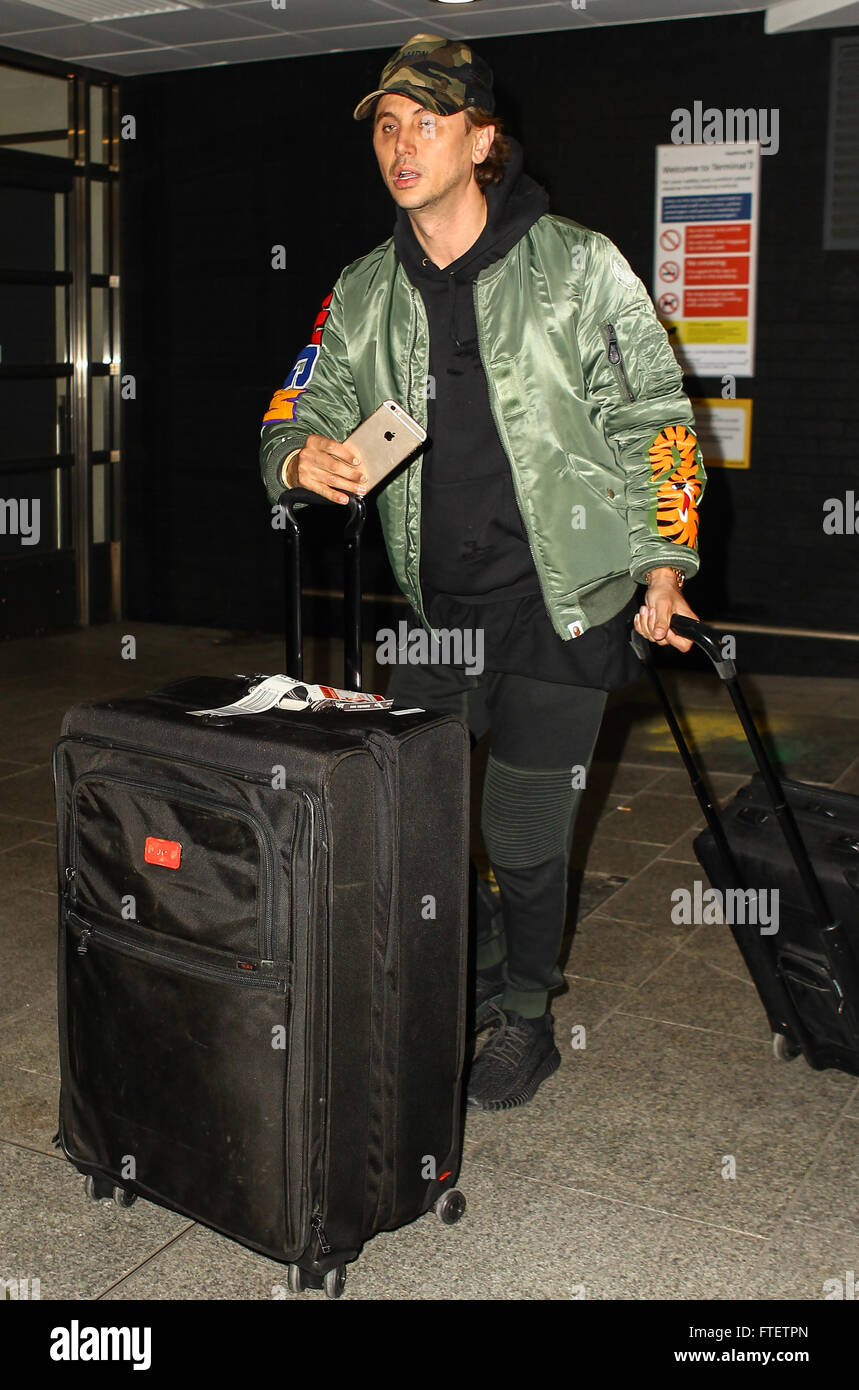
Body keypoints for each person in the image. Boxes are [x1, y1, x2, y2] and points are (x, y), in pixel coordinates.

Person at [259, 33, 706, 1112]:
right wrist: (291, 456)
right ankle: (468, 958)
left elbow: (656, 415)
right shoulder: (362, 290)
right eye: (386, 124)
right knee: (407, 817)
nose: (402, 144)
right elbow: (299, 403)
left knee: (524, 832)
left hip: (567, 601)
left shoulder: (578, 264)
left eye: (427, 121)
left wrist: (662, 562)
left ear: (482, 138)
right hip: (433, 611)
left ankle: (524, 1009)